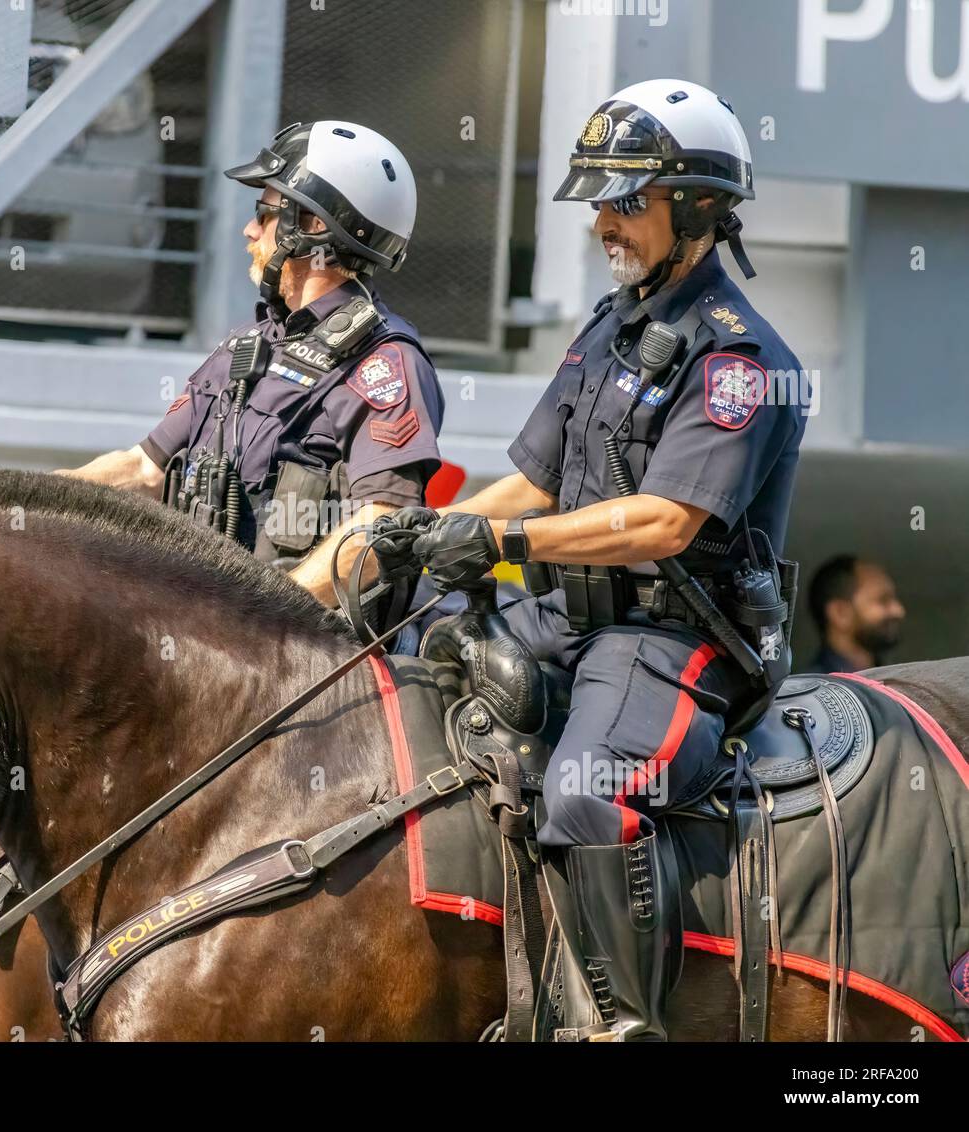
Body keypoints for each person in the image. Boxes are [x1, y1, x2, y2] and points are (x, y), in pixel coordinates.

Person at [379, 80, 809, 1040]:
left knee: (588, 793)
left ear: (696, 208)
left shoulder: (740, 360)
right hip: (565, 618)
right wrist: (421, 533)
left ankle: (617, 1025)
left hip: (669, 640)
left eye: (626, 201)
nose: (602, 222)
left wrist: (498, 544)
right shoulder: (608, 328)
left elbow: (663, 521)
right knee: (418, 681)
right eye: (600, 202)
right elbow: (530, 483)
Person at [62, 121, 445, 604]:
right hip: (203, 626)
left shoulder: (383, 362)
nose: (249, 230)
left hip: (298, 656)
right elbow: (144, 470)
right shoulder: (248, 342)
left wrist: (267, 617)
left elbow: (380, 528)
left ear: (312, 227)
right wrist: (18, 501)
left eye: (264, 214)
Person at [804, 555, 905, 672]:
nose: (899, 611)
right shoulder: (812, 688)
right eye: (883, 600)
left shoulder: (894, 682)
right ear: (840, 613)